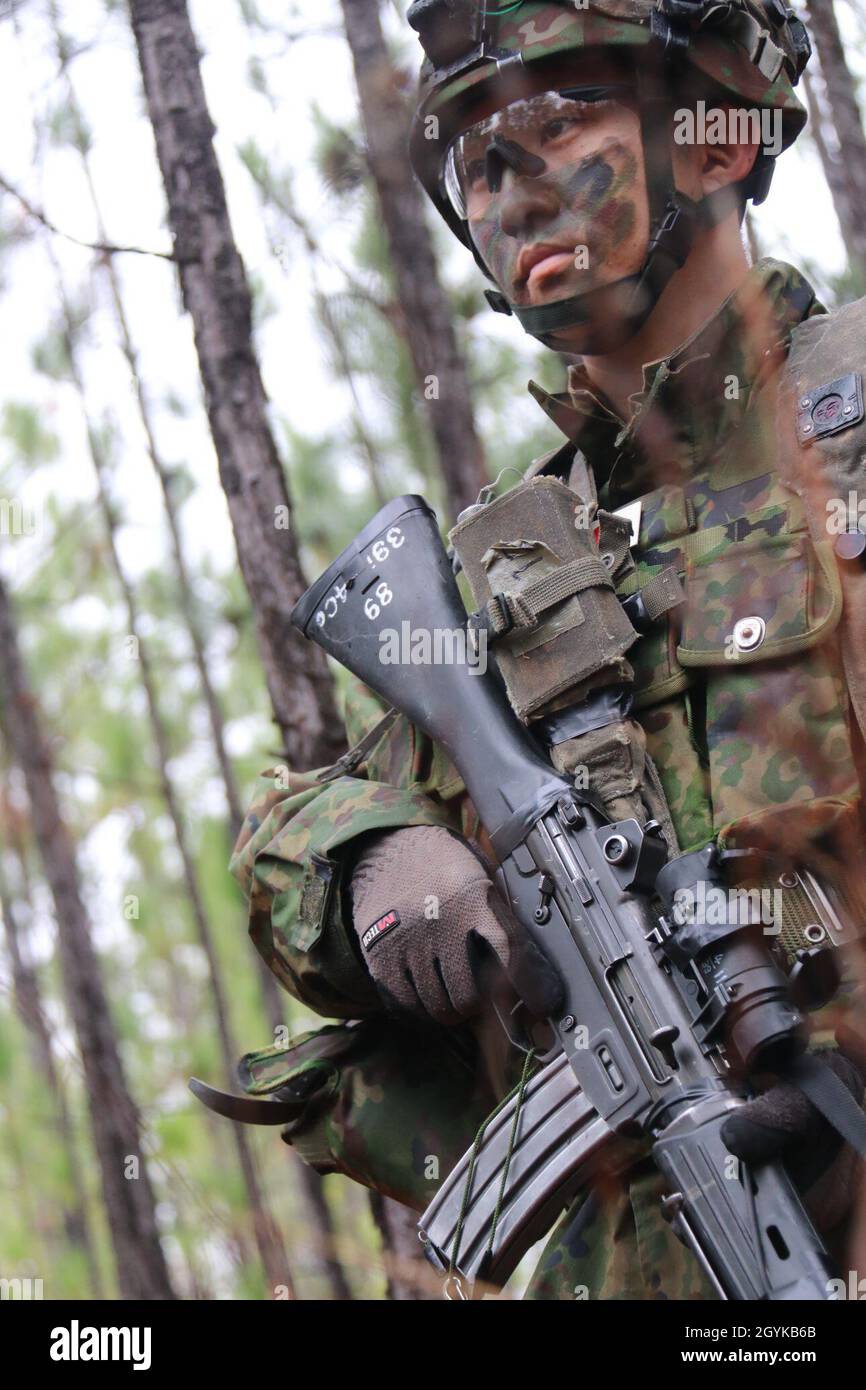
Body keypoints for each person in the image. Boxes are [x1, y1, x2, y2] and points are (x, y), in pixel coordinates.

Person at [223, 1, 866, 1298]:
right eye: (472, 158)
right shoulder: (517, 560)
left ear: (713, 139)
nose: (507, 189)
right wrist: (370, 863)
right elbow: (280, 838)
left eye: (554, 122)